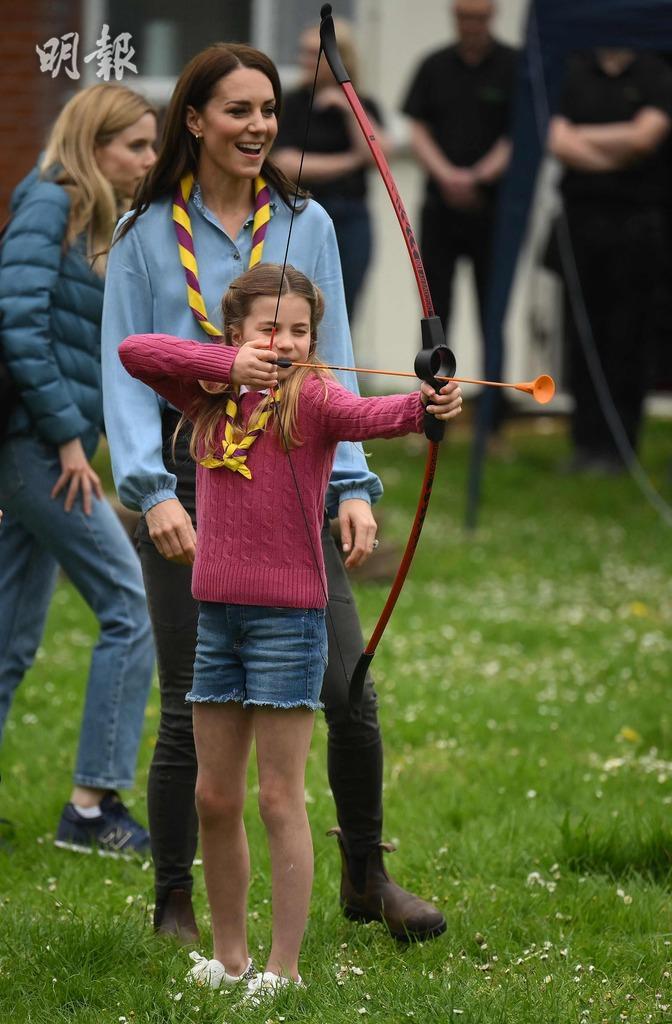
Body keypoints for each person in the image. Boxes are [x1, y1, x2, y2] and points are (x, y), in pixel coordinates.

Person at [101, 43, 448, 943]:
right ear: (194, 120)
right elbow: (126, 367)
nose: (258, 127)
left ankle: (366, 876)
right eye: (237, 111)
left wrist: (354, 484)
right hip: (189, 478)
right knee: (190, 702)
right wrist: (149, 490)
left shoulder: (307, 223)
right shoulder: (145, 236)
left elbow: (327, 371)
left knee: (346, 684)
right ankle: (174, 899)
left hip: (297, 473)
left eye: (267, 112)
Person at [117, 263, 463, 993]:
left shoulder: (312, 401)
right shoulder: (209, 399)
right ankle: (231, 956)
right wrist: (225, 364)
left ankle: (283, 969)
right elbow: (136, 352)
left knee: (278, 797)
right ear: (237, 332)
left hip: (289, 624)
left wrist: (426, 407)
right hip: (219, 620)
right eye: (271, 328)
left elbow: (374, 417)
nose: (287, 342)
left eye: (301, 330)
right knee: (216, 796)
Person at [0, 84, 157, 853]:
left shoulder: (91, 215)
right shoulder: (50, 202)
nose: (149, 161)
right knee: (131, 609)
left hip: (38, 450)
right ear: (94, 145)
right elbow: (17, 325)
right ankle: (91, 811)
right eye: (136, 146)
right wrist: (68, 437)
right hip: (37, 453)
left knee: (7, 638)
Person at [549, 49, 672, 473]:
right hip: (581, 223)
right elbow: (556, 140)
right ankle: (585, 444)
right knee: (582, 335)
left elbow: (646, 138)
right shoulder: (575, 72)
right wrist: (617, 152)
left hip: (637, 224)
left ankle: (620, 448)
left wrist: (584, 138)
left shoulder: (655, 72)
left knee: (629, 337)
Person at [402, 0, 516, 430]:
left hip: (493, 212)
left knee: (493, 313)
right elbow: (417, 129)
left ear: (492, 17)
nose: (472, 25)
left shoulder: (512, 66)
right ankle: (428, 416)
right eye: (464, 17)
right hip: (440, 210)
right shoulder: (433, 66)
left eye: (480, 18)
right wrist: (447, 175)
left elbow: (519, 132)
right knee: (435, 317)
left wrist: (480, 175)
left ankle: (494, 424)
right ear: (455, 18)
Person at [274, 19, 390, 320]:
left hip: (351, 218)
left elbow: (378, 154)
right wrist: (352, 161)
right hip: (300, 213)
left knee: (344, 308)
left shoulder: (362, 105)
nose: (306, 61)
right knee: (296, 302)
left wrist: (349, 108)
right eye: (304, 53)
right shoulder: (292, 103)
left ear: (340, 58)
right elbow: (286, 163)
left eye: (315, 54)